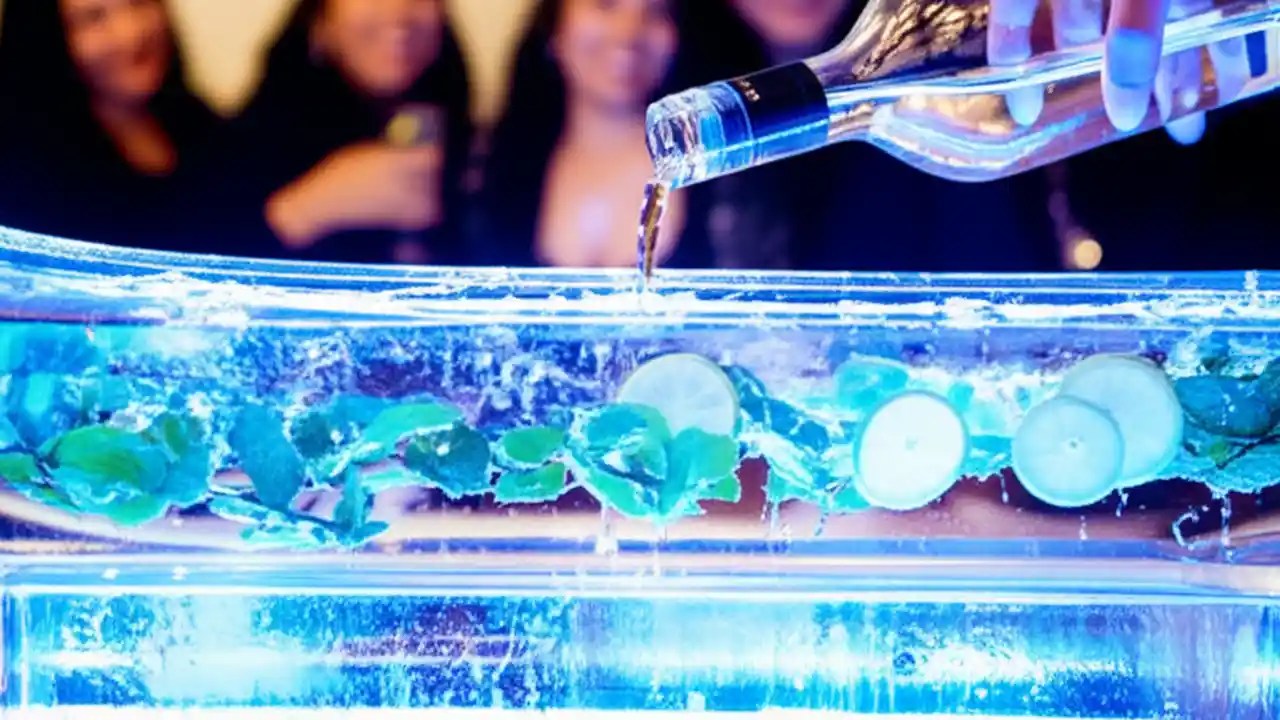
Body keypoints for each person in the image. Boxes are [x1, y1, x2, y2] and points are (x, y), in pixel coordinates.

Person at [192, 0, 472, 265]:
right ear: (320, 20)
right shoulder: (242, 148)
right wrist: (304, 209)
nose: (399, 13)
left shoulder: (471, 145)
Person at [467, 0, 714, 269]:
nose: (628, 32)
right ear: (554, 26)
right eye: (605, 5)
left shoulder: (723, 175)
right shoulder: (484, 171)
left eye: (656, 11)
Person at [0, 0, 219, 250]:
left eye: (139, 2)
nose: (132, 33)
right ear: (46, 37)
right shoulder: (23, 170)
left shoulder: (199, 123)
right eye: (94, 18)